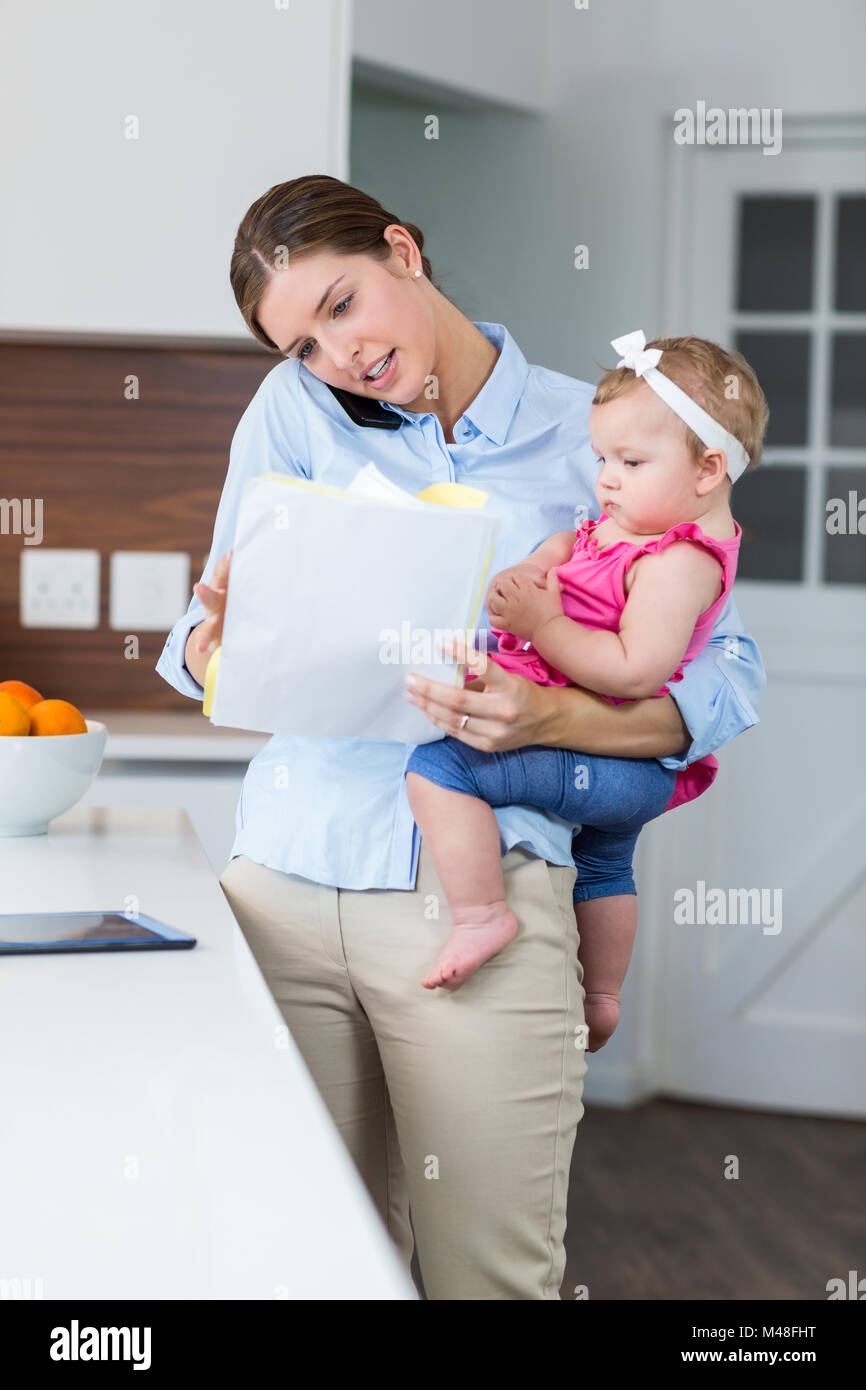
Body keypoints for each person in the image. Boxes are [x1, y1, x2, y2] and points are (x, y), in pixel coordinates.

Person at [155, 175, 765, 1300]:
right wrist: (217, 643)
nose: (333, 354)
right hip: (283, 882)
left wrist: (550, 714)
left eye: (340, 305)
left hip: (477, 902)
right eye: (299, 342)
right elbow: (197, 631)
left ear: (402, 250)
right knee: (298, 1274)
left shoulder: (605, 431)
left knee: (490, 1280)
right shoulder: (290, 417)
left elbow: (726, 676)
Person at [405, 333, 768, 1055]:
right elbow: (575, 546)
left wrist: (543, 624)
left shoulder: (680, 566)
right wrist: (538, 567)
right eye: (602, 459)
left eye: (630, 463)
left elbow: (635, 670)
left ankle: (481, 915)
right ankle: (600, 996)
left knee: (439, 768)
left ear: (709, 469)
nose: (605, 479)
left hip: (615, 764)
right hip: (614, 774)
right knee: (603, 865)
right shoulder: (636, 526)